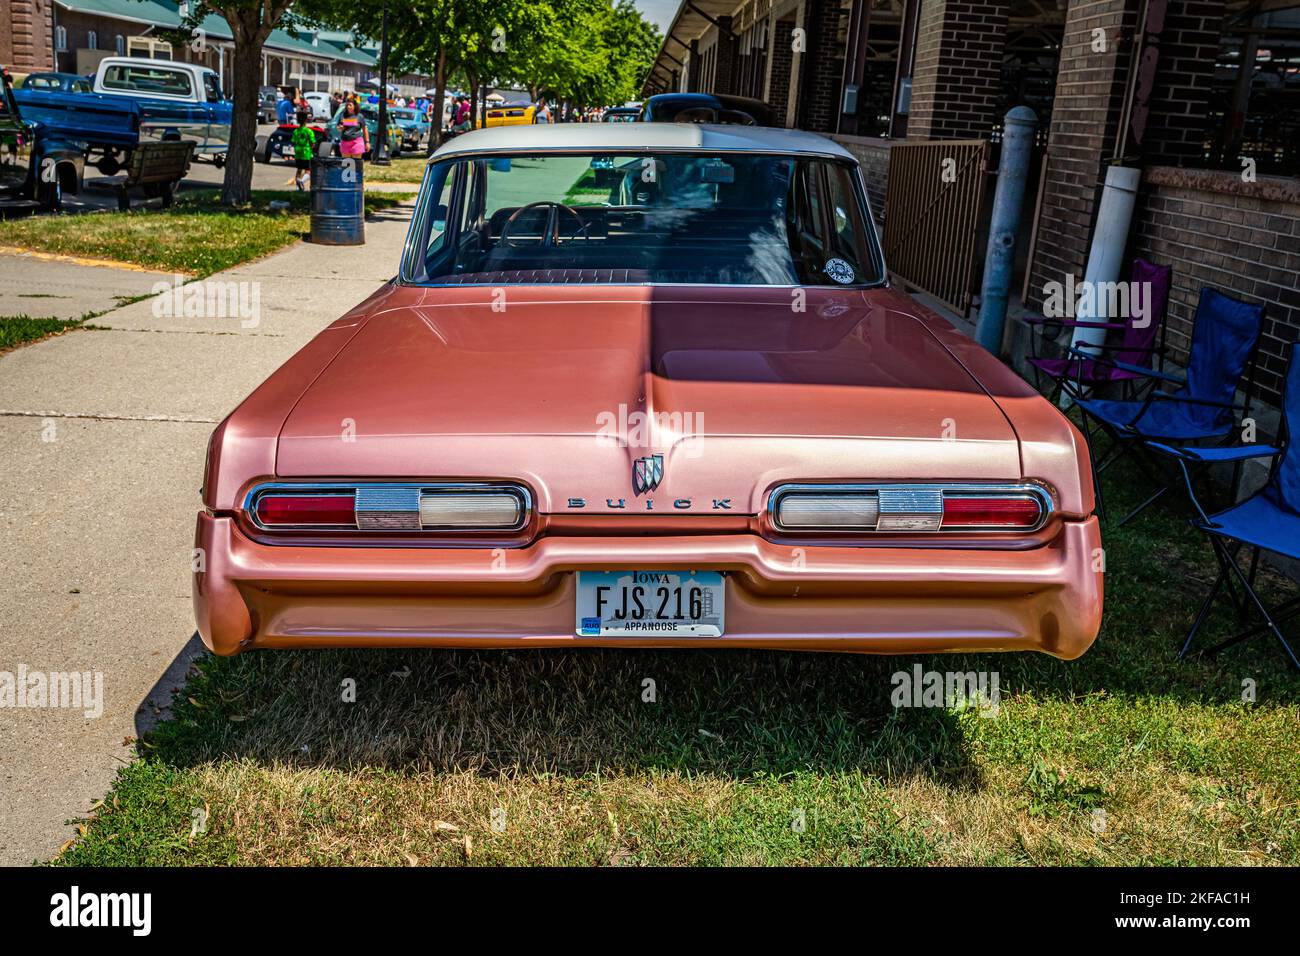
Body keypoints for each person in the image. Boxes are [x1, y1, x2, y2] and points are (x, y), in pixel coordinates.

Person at [290, 111, 316, 190]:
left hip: (298, 152)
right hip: (306, 152)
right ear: (306, 120)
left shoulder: (295, 131)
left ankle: (298, 188)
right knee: (308, 171)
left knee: (299, 170)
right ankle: (302, 181)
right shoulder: (309, 131)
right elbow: (313, 142)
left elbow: (293, 141)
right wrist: (311, 149)